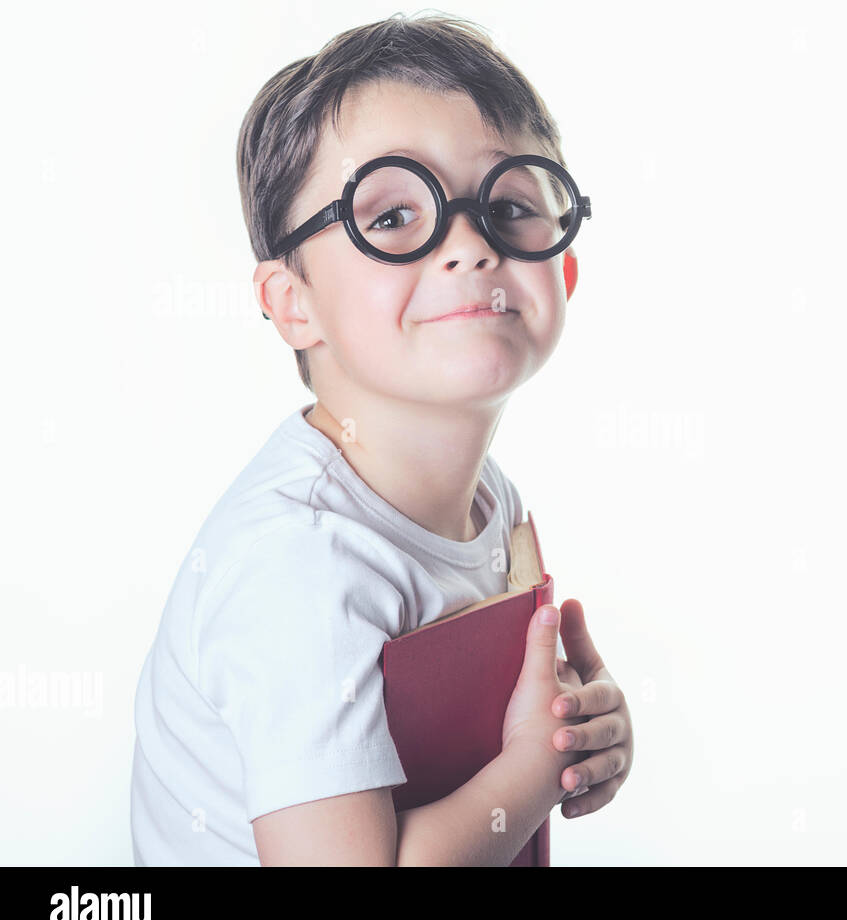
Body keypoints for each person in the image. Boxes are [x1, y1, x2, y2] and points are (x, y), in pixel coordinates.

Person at [130, 13, 633, 866]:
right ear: (294, 303)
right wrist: (535, 771)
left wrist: (575, 730)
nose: (471, 244)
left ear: (565, 271)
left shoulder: (487, 499)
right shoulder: (298, 564)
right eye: (395, 216)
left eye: (510, 205)